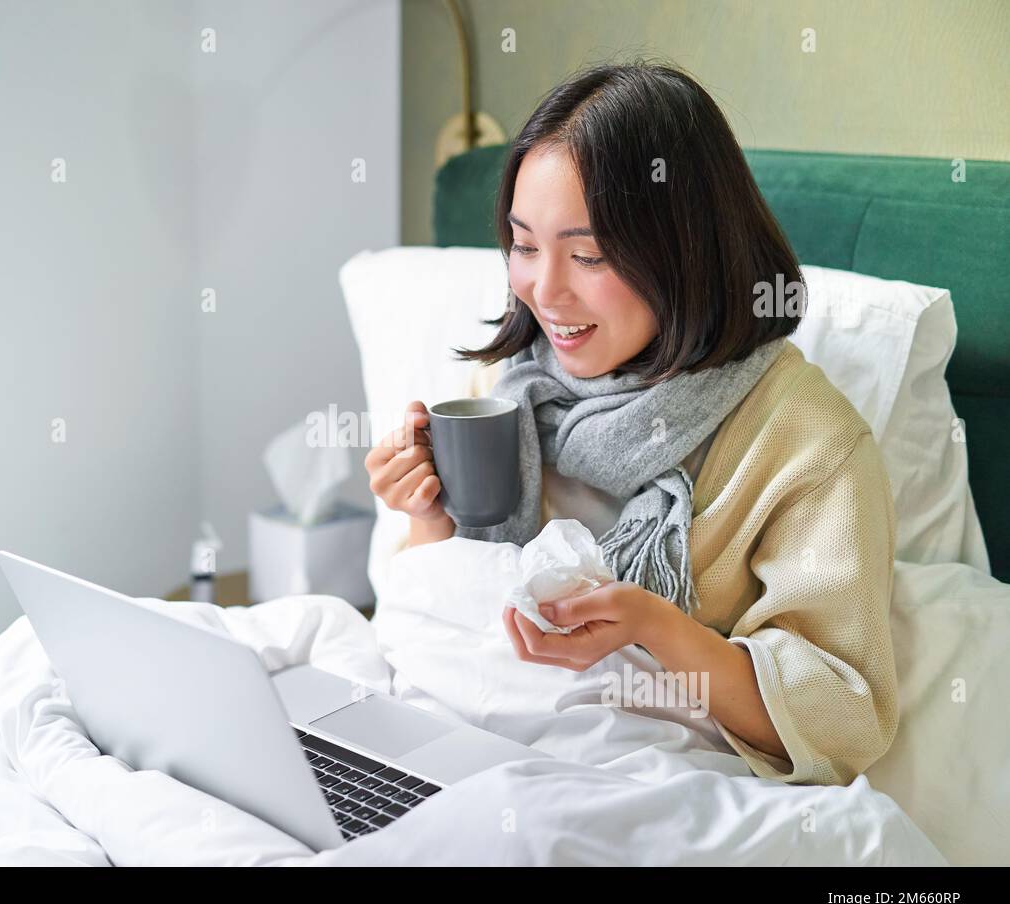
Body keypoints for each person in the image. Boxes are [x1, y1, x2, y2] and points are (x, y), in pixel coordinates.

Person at [363, 61, 897, 788]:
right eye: (523, 245)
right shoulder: (511, 388)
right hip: (461, 753)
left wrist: (656, 628)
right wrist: (428, 517)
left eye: (588, 255)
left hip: (640, 784)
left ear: (684, 248)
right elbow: (457, 632)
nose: (544, 292)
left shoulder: (806, 439)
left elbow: (844, 714)